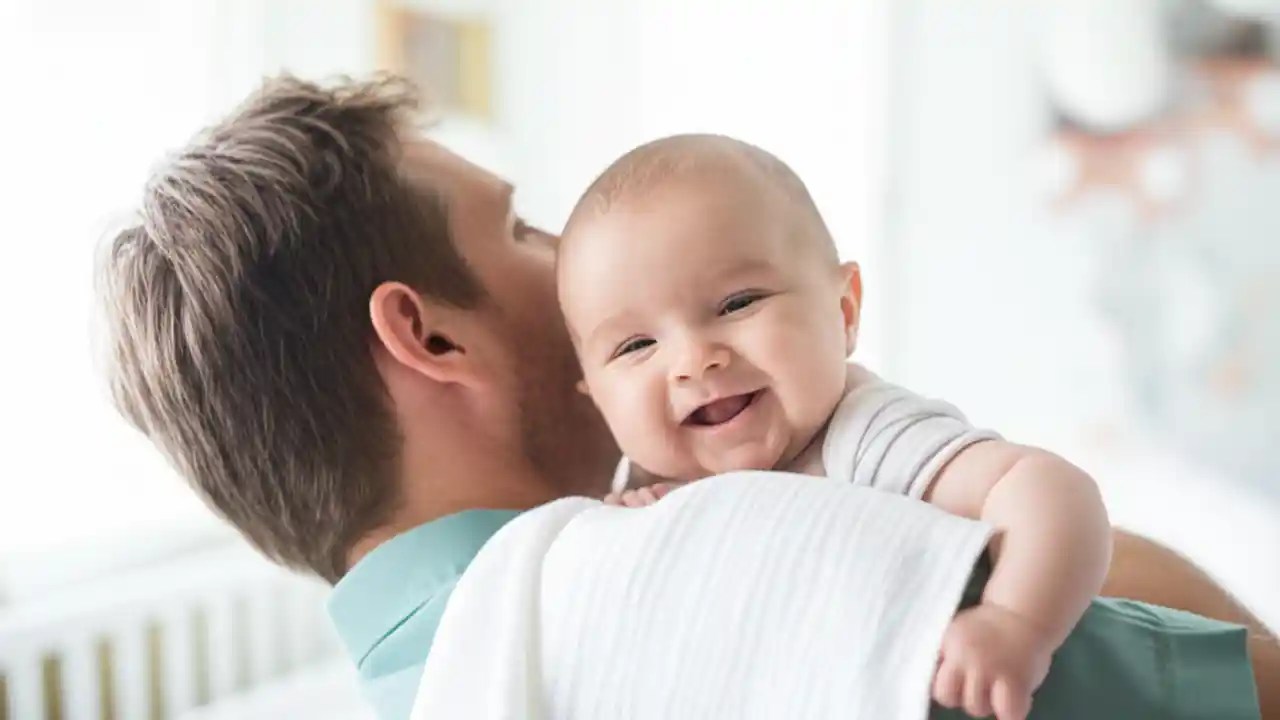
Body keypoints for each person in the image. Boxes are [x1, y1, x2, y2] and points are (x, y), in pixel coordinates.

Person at [99, 75, 1277, 720]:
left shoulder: (419, 678)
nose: (567, 245)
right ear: (428, 334)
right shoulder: (723, 565)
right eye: (517, 227)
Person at [557, 134, 1109, 719]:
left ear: (843, 312)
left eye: (737, 303)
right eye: (637, 344)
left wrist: (1015, 623)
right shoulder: (630, 499)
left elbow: (1046, 488)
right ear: (596, 399)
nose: (694, 360)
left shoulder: (863, 437)